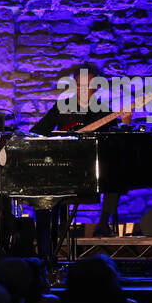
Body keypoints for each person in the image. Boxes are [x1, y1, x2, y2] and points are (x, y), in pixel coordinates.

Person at [32, 64, 124, 240]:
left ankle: (103, 224)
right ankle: (58, 229)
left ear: (97, 86)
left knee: (116, 177)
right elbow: (38, 130)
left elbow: (115, 139)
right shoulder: (62, 107)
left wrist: (125, 123)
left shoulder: (104, 111)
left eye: (87, 84)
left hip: (93, 167)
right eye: (79, 84)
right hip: (64, 165)